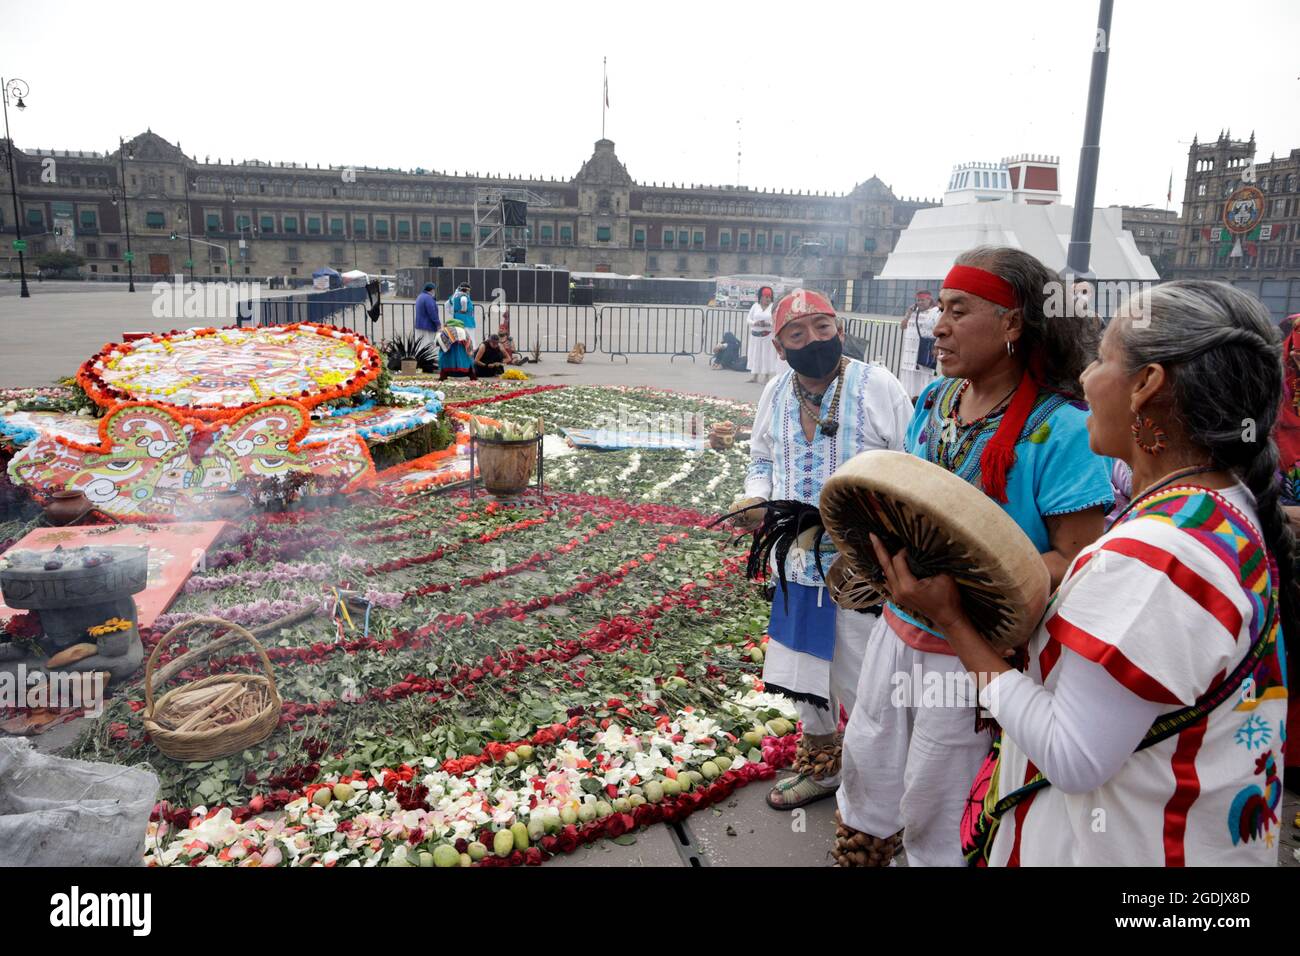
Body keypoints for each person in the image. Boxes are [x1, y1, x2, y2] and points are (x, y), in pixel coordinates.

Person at [867, 280, 1296, 866]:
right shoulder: (1219, 505)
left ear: (1146, 386)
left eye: (1102, 359)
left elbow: (1070, 757)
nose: (1087, 378)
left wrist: (956, 624)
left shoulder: (1154, 558)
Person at [835, 246, 1114, 866]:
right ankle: (864, 848)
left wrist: (961, 592)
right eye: (940, 308)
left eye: (959, 311)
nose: (938, 325)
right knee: (872, 760)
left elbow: (1078, 556)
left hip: (977, 656)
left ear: (1013, 323)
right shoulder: (936, 401)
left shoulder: (1061, 429)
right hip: (899, 629)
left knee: (945, 797)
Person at [733, 288, 914, 811]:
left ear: (838, 329)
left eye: (822, 328)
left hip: (864, 568)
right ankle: (822, 770)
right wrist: (755, 496)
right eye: (797, 333)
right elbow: (762, 459)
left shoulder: (876, 384)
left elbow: (910, 469)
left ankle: (877, 796)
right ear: (780, 346)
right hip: (794, 563)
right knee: (806, 676)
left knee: (866, 682)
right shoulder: (776, 393)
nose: (812, 340)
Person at [899, 290, 940, 399]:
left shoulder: (935, 312)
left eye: (922, 300)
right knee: (910, 378)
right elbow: (902, 326)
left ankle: (924, 400)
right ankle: (909, 400)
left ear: (929, 300)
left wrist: (936, 348)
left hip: (925, 350)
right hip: (909, 352)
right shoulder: (913, 311)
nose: (920, 302)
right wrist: (908, 314)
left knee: (924, 376)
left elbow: (938, 332)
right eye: (918, 300)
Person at [745, 286, 786, 384]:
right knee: (755, 355)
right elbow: (748, 319)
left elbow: (776, 321)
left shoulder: (773, 308)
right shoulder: (755, 306)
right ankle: (754, 375)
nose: (768, 299)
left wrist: (768, 324)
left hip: (767, 335)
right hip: (755, 335)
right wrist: (755, 323)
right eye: (766, 297)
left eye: (769, 297)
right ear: (761, 297)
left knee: (766, 356)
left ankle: (766, 376)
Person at [414, 283, 441, 372]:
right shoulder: (429, 298)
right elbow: (432, 312)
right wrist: (438, 323)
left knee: (421, 345)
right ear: (432, 290)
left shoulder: (420, 296)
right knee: (429, 345)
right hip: (428, 325)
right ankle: (429, 363)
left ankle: (420, 362)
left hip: (419, 325)